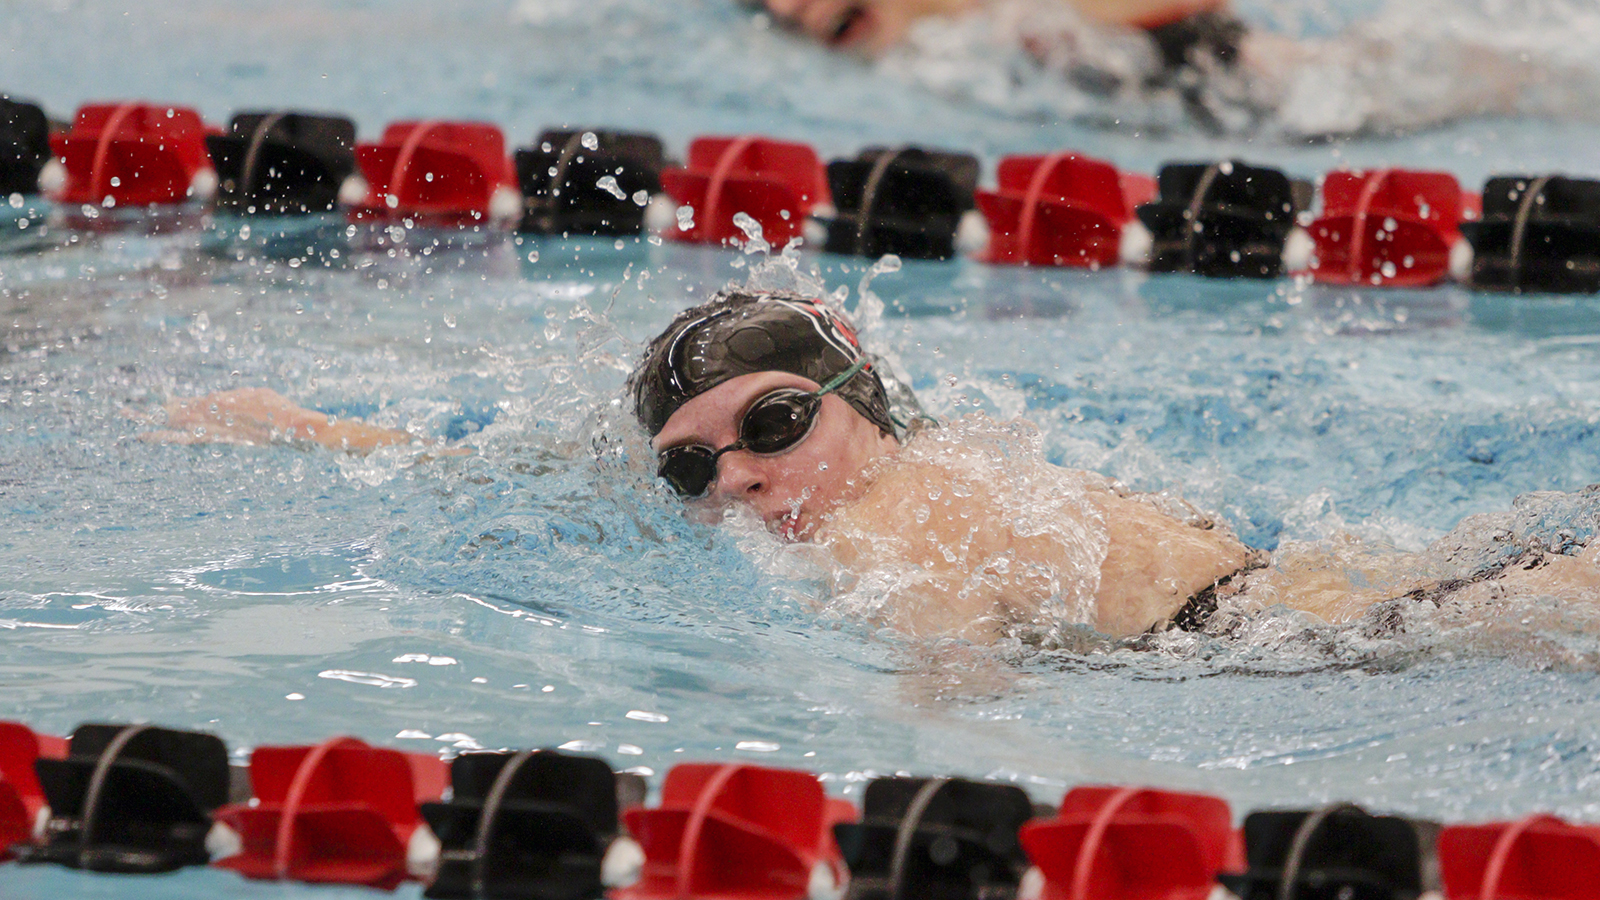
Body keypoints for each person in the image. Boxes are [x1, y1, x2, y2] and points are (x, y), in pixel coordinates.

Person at [146, 290, 1600, 642]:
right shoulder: (884, 469)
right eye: (690, 471)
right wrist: (318, 431)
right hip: (1331, 600)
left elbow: (945, 669)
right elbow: (533, 471)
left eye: (773, 427)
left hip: (1362, 639)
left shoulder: (901, 511)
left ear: (859, 401)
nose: (740, 483)